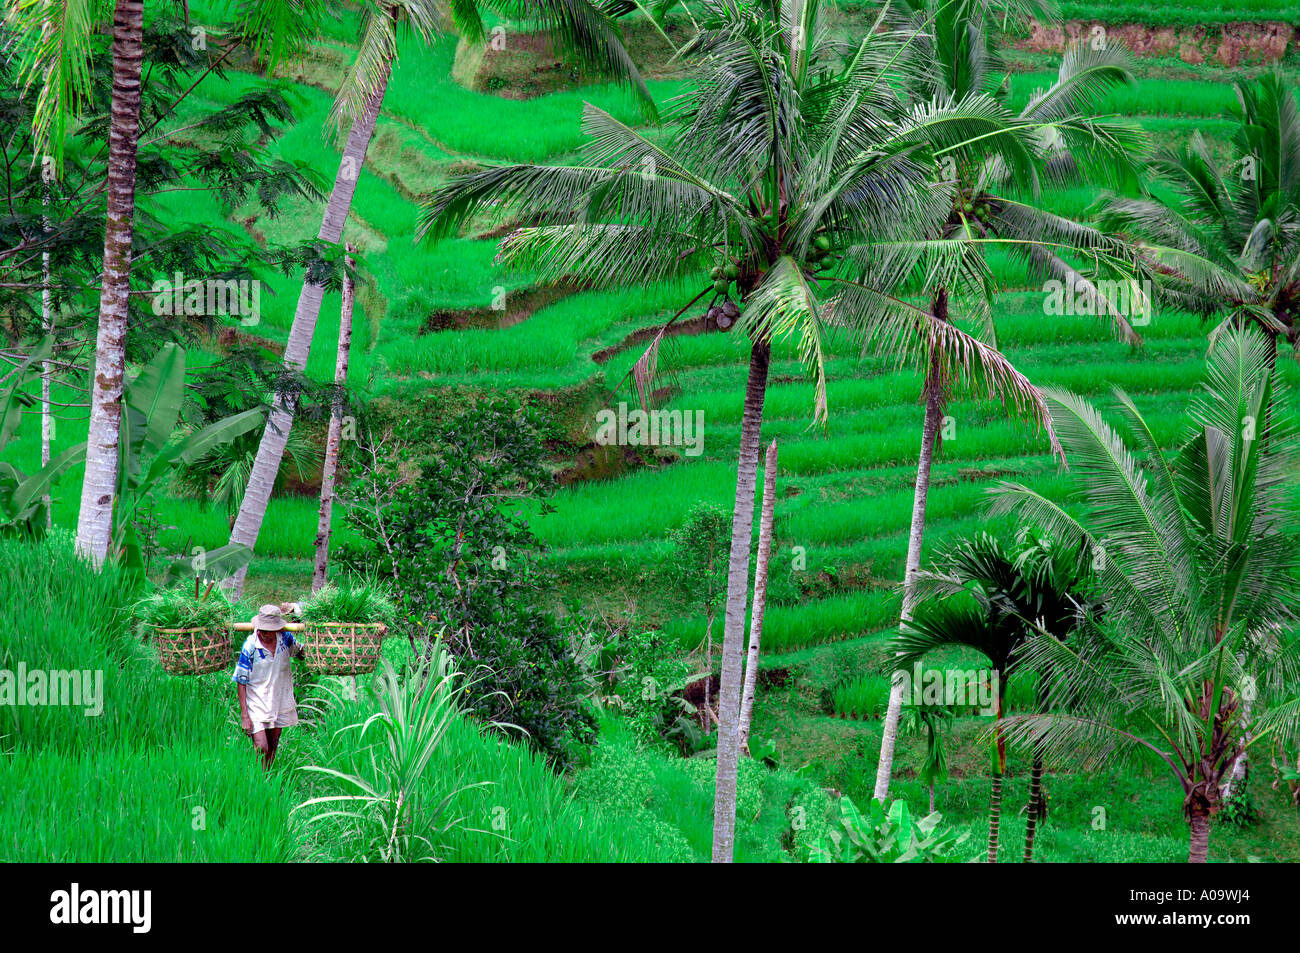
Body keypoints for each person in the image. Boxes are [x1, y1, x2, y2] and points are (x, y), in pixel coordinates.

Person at [232, 604, 304, 768]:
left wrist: (320, 644)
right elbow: (241, 681)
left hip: (279, 699)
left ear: (277, 629)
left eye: (269, 631)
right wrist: (245, 715)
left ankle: (267, 779)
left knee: (273, 745)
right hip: (256, 702)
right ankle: (258, 779)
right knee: (261, 747)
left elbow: (301, 653)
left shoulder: (285, 638)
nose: (265, 634)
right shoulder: (250, 645)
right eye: (262, 630)